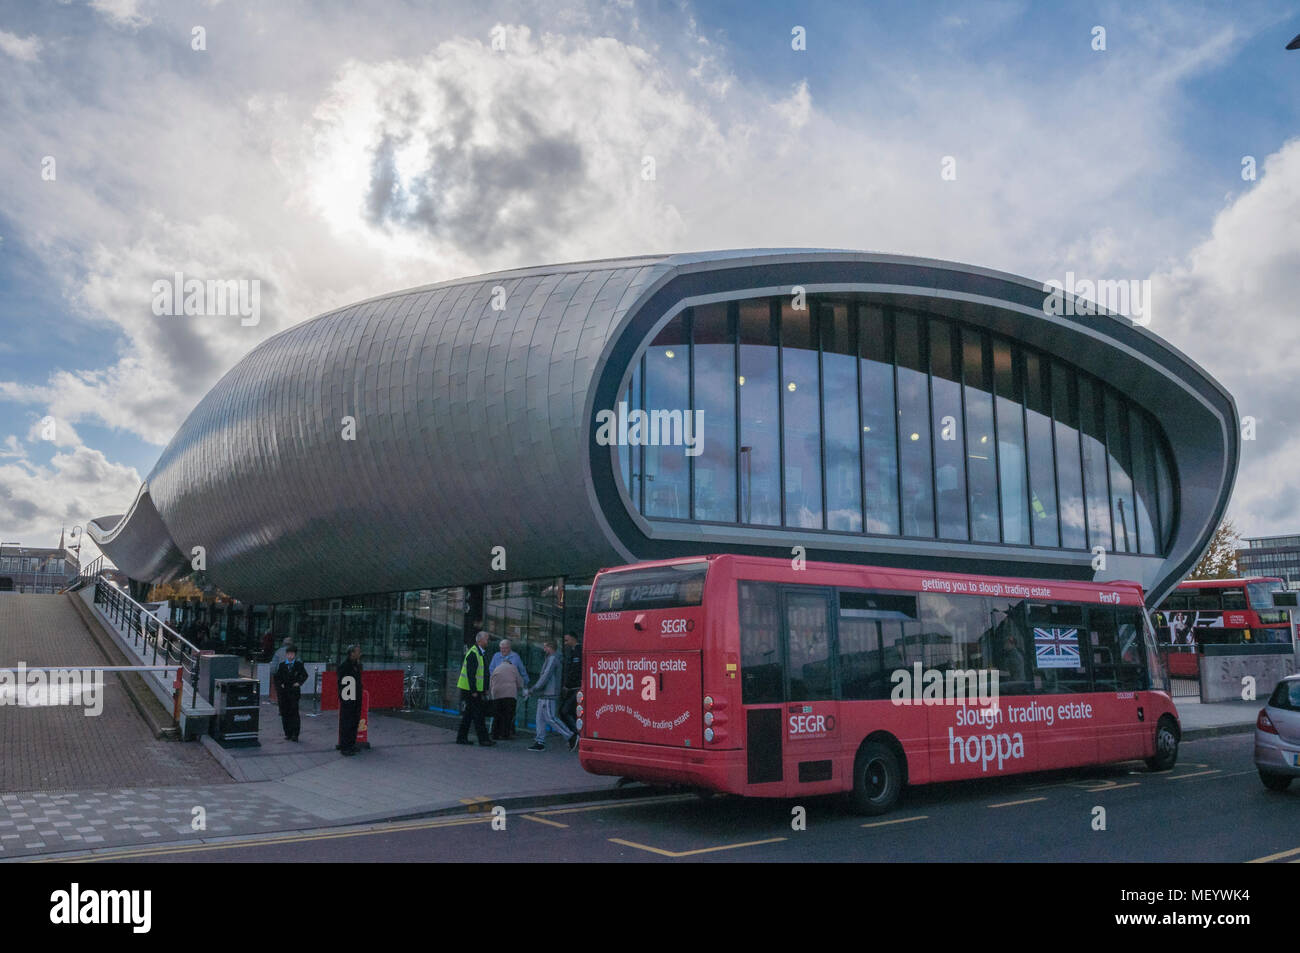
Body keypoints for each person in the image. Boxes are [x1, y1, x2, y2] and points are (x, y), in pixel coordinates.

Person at [527, 639, 576, 752]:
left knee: (550, 717)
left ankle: (570, 735)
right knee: (540, 718)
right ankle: (540, 741)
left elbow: (546, 676)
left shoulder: (553, 658)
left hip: (549, 693)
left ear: (550, 648)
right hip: (545, 693)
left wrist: (534, 688)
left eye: (545, 647)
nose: (544, 649)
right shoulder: (551, 658)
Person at [456, 631, 495, 747]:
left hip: (473, 689)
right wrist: (474, 691)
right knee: (479, 715)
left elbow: (481, 674)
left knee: (469, 715)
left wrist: (484, 689)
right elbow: (471, 674)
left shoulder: (479, 652)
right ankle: (483, 740)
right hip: (471, 690)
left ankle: (461, 738)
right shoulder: (473, 653)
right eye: (487, 639)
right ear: (480, 640)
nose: (488, 642)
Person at [489, 643, 524, 740]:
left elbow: (491, 680)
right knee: (508, 715)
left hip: (497, 694)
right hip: (510, 695)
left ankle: (495, 734)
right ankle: (505, 734)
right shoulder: (513, 668)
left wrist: (490, 692)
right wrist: (522, 687)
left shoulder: (497, 668)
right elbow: (519, 681)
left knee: (497, 714)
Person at [273, 644, 308, 741]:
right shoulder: (282, 665)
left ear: (295, 655)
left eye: (292, 654)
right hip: (284, 693)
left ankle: (295, 734)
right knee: (285, 713)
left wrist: (299, 683)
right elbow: (277, 677)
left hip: (293, 692)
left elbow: (305, 675)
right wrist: (281, 685)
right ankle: (287, 733)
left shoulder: (298, 665)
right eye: (288, 654)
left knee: (294, 713)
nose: (290, 656)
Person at [337, 644, 364, 756]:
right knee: (347, 722)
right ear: (352, 653)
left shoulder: (357, 665)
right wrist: (346, 699)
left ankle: (351, 744)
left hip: (356, 697)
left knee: (354, 721)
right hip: (348, 698)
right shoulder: (345, 666)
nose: (360, 653)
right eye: (358, 651)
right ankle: (345, 746)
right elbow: (343, 684)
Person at [559, 632, 581, 733]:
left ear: (573, 639)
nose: (565, 643)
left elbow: (575, 671)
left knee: (565, 711)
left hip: (575, 687)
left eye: (567, 640)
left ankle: (576, 733)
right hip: (573, 687)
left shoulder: (577, 651)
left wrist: (567, 685)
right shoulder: (573, 651)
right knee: (571, 711)